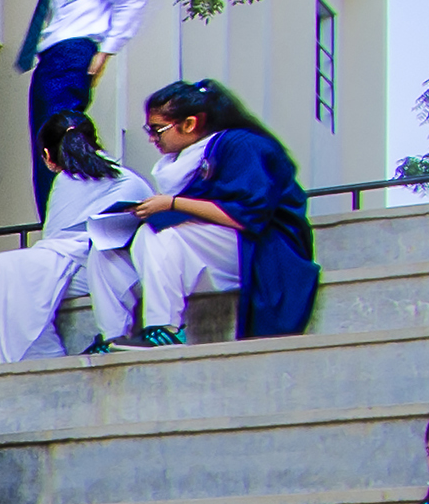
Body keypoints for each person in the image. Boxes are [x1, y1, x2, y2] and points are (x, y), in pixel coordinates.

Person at [126, 79, 320, 346]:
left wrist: (172, 204)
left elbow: (246, 216)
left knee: (163, 234)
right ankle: (118, 333)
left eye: (157, 130)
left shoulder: (243, 145)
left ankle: (166, 330)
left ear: (190, 123)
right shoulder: (199, 152)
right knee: (134, 240)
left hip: (266, 249)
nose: (151, 138)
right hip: (227, 247)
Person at [0, 0, 151, 210]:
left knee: (60, 136)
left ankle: (77, 208)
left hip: (71, 54)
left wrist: (105, 52)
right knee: (46, 144)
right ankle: (55, 215)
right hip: (53, 59)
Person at [0, 109, 143, 362]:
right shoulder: (130, 179)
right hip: (79, 265)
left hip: (108, 267)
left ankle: (41, 356)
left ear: (48, 157)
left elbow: (59, 243)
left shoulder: (66, 179)